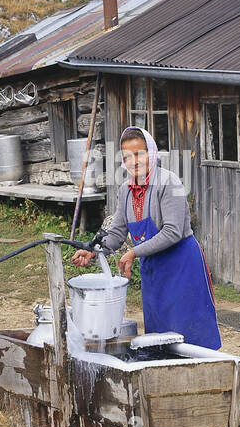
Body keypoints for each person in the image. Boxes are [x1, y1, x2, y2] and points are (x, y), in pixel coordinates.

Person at [71, 125, 222, 350]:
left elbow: (173, 232)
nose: (134, 161)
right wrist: (93, 251)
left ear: (151, 153)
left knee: (190, 332)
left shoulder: (169, 183)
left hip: (182, 267)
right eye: (127, 156)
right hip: (154, 271)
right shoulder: (125, 191)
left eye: (139, 153)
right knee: (160, 336)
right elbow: (117, 233)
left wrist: (134, 252)